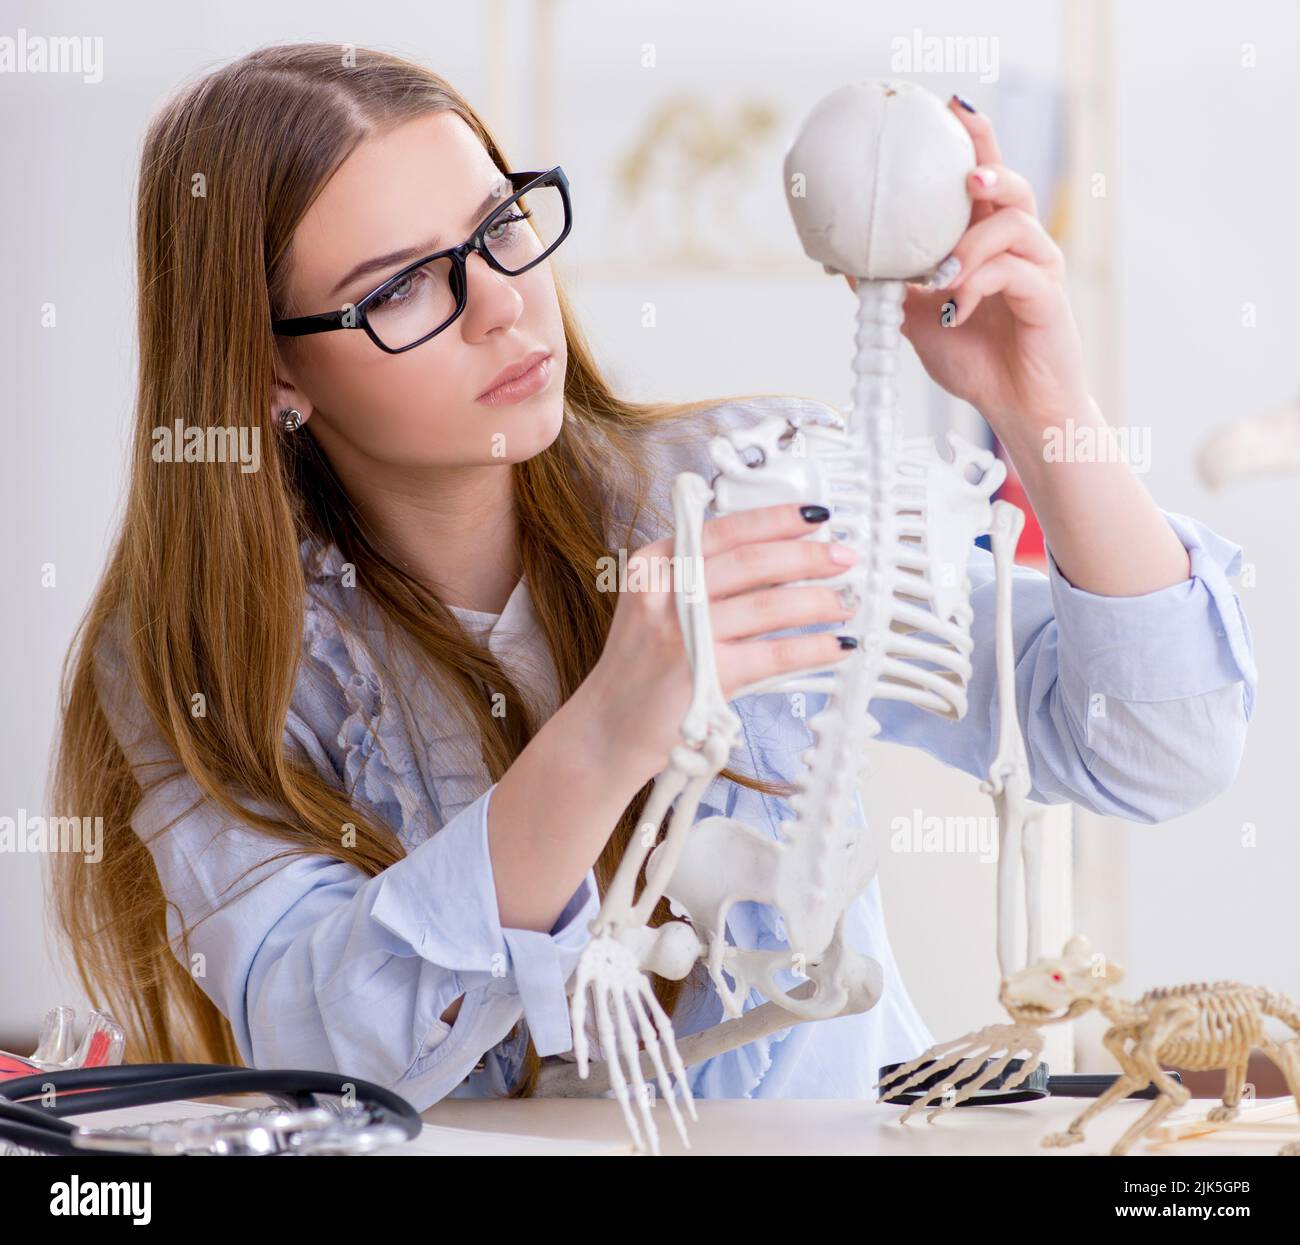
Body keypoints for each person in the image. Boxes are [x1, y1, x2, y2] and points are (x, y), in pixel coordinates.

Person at [51, 45, 1256, 1109]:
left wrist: (1042, 406)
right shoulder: (205, 661)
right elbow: (324, 1034)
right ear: (269, 377)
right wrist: (607, 733)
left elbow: (1155, 749)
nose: (503, 306)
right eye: (400, 285)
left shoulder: (752, 488)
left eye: (500, 227)